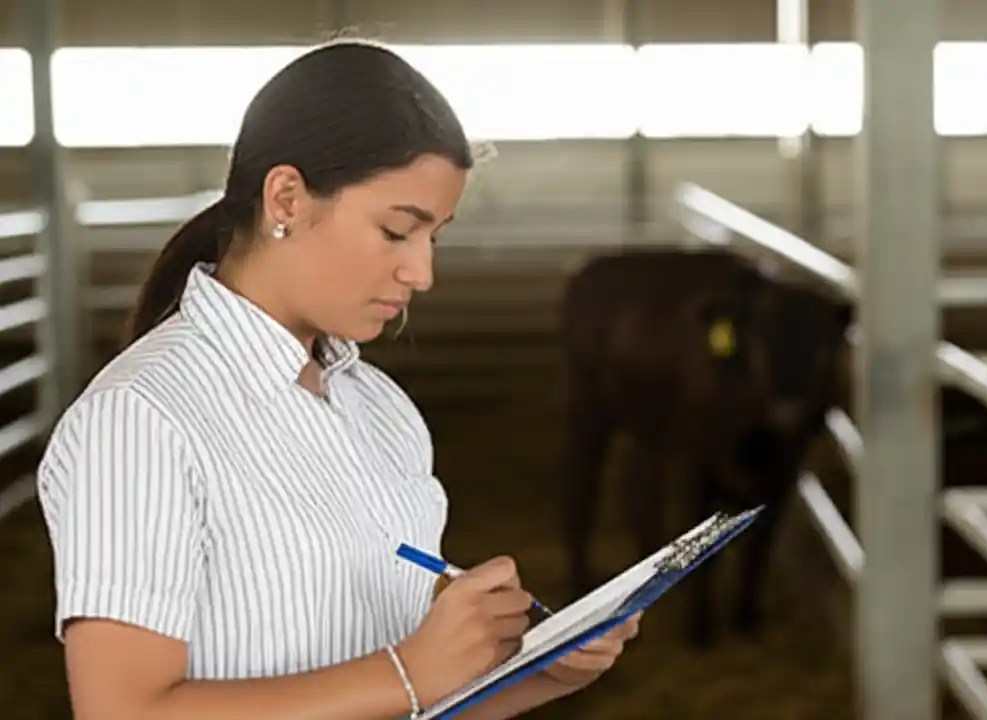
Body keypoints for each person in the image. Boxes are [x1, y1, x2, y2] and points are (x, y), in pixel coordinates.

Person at [35, 39, 641, 719]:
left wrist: (543, 668)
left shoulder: (381, 410)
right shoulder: (141, 418)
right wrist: (407, 671)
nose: (423, 273)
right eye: (396, 231)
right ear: (287, 198)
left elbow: (418, 701)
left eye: (433, 237)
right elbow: (124, 712)